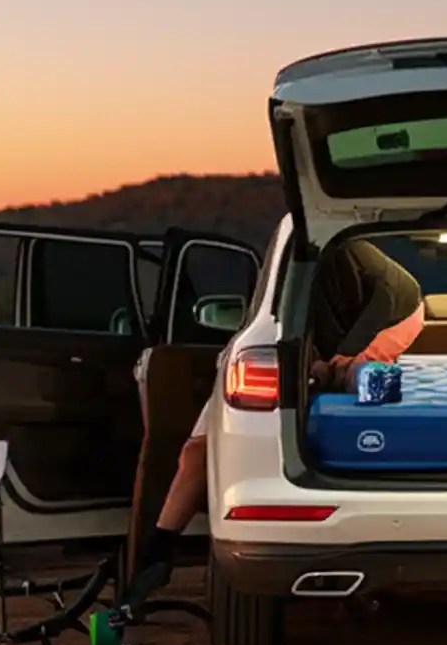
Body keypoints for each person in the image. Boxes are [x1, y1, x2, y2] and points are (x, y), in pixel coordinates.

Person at [132, 239, 425, 586]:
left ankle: (396, 448)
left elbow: (388, 297)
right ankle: (157, 554)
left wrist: (343, 357)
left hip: (396, 312)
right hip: (304, 336)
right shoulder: (284, 252)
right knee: (196, 453)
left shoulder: (344, 245)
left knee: (360, 377)